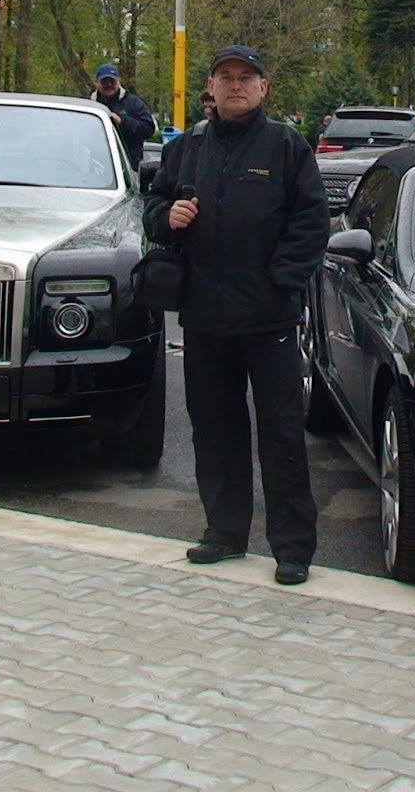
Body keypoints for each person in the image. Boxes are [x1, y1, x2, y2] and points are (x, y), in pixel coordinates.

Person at [142, 45, 330, 586]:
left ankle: (292, 548)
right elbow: (151, 204)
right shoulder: (189, 148)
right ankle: (223, 533)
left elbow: (311, 221)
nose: (236, 85)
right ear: (211, 87)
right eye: (226, 77)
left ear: (264, 88)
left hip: (269, 319)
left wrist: (281, 282)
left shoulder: (285, 146)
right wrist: (167, 216)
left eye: (246, 77)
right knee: (215, 430)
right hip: (203, 317)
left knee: (281, 434)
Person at [91, 62, 155, 169]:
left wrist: (122, 122)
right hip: (96, 167)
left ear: (118, 81)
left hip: (129, 167)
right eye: (104, 82)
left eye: (112, 81)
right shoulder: (91, 105)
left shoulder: (133, 102)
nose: (109, 85)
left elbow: (148, 128)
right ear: (96, 83)